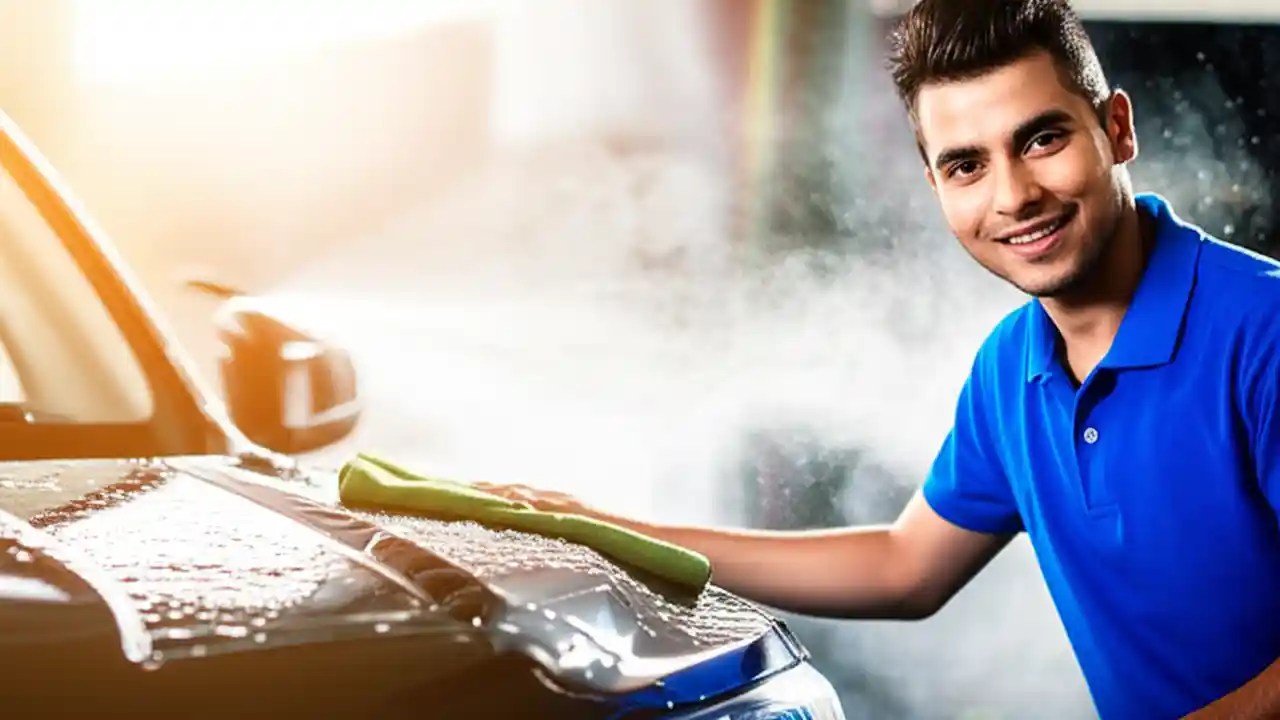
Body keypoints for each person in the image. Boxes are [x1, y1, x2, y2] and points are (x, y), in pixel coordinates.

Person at [476, 1, 1280, 717]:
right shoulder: (1010, 369)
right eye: (967, 165)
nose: (1013, 197)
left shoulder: (1264, 329)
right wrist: (612, 532)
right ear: (935, 185)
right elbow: (905, 567)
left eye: (1040, 139)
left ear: (1116, 129)